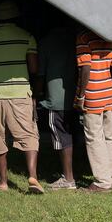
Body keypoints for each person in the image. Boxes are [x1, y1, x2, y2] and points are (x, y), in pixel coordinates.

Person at [0, 0, 43, 194]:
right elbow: (33, 68)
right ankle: (32, 176)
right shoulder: (27, 37)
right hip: (20, 94)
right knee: (29, 134)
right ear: (16, 17)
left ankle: (3, 182)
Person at [74, 28, 112, 193]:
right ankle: (111, 177)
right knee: (109, 136)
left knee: (94, 137)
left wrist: (80, 97)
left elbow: (85, 68)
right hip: (108, 92)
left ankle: (101, 182)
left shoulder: (83, 38)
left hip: (92, 94)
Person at [37, 25, 79, 191]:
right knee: (69, 134)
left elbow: (41, 72)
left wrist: (38, 93)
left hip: (56, 99)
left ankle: (68, 178)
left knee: (61, 138)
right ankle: (69, 174)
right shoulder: (73, 41)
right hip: (72, 97)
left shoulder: (46, 43)